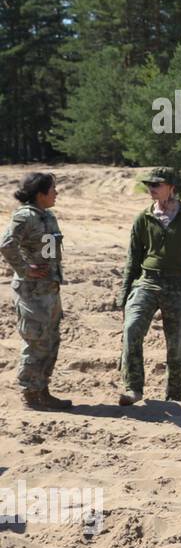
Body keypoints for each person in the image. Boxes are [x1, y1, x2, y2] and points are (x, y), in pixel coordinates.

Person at [118, 168, 181, 405]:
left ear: (172, 187)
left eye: (157, 184)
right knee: (131, 329)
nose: (152, 188)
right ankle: (133, 388)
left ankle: (174, 397)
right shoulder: (143, 218)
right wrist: (124, 296)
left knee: (176, 343)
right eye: (149, 184)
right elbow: (132, 259)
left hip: (178, 284)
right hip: (146, 281)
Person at [1, 172, 70, 410]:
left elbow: (51, 250)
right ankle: (30, 393)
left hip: (49, 289)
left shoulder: (47, 216)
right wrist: (25, 269)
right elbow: (6, 244)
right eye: (53, 189)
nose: (56, 193)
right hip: (31, 291)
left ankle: (43, 390)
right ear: (40, 193)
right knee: (36, 340)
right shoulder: (25, 217)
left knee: (51, 340)